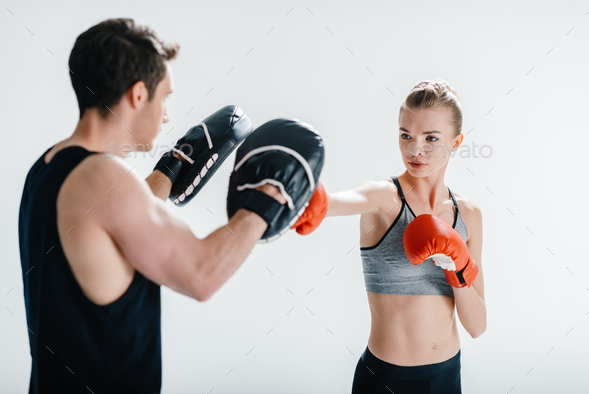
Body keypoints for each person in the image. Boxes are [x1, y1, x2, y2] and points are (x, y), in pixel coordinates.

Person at [18, 18, 322, 393]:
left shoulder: (49, 167)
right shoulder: (106, 177)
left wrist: (170, 168)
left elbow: (112, 228)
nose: (166, 114)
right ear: (138, 95)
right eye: (165, 96)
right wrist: (270, 195)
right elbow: (201, 274)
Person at [315, 80, 486, 393]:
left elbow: (477, 326)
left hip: (446, 377)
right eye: (405, 135)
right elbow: (337, 202)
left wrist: (456, 269)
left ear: (456, 141)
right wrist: (303, 197)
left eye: (430, 138)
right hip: (384, 380)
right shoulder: (385, 198)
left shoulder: (469, 215)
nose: (414, 149)